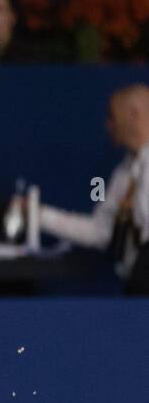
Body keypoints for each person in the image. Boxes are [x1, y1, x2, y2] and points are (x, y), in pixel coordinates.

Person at [39, 84, 149, 295]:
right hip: (138, 287)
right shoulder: (125, 173)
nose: (109, 125)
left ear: (134, 114)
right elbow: (101, 231)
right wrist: (39, 215)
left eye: (112, 116)